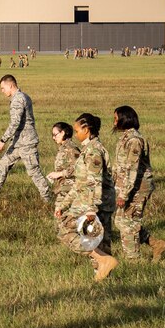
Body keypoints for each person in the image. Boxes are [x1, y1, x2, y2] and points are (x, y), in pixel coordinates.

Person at [54, 113, 118, 281]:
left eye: (77, 130)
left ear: (87, 129)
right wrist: (63, 204)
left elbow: (94, 182)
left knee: (66, 231)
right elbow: (79, 183)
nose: (75, 134)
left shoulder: (93, 151)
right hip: (90, 199)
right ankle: (103, 277)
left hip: (93, 202)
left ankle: (102, 261)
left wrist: (91, 210)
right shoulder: (87, 149)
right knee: (100, 241)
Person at [0, 75, 51, 204]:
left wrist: (2, 141)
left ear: (10, 85)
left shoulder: (18, 99)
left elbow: (15, 123)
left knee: (34, 172)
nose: (2, 91)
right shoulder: (24, 96)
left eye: (3, 88)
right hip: (18, 142)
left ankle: (47, 199)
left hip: (26, 142)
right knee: (2, 166)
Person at [112, 105, 165, 262]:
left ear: (125, 119)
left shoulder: (134, 140)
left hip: (138, 188)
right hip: (128, 187)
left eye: (116, 118)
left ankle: (134, 261)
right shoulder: (125, 138)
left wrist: (124, 194)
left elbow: (132, 169)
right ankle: (156, 244)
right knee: (121, 221)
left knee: (128, 223)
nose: (114, 122)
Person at [46, 121, 80, 236]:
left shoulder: (70, 148)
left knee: (62, 218)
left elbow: (78, 168)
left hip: (69, 189)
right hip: (63, 188)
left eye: (55, 134)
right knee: (61, 219)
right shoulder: (63, 148)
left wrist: (60, 174)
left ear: (63, 133)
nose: (53, 137)